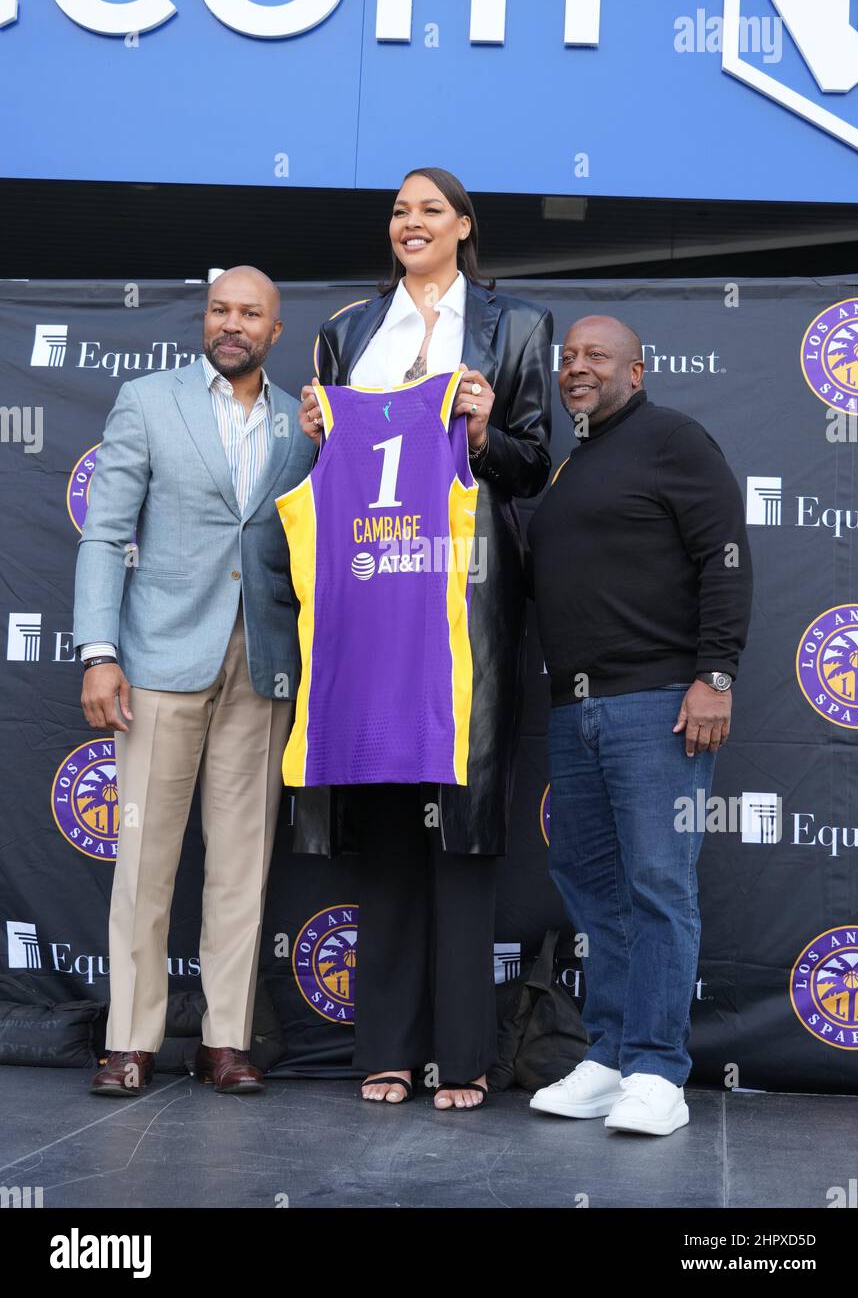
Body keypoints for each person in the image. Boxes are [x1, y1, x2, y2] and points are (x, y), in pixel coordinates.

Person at [295, 167, 552, 1110]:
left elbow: (535, 464)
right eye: (400, 211)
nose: (411, 223)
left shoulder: (515, 325)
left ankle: (465, 1058)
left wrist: (484, 432)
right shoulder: (345, 333)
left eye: (429, 211)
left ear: (463, 227)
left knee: (464, 825)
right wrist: (318, 427)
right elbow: (326, 467)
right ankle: (388, 1050)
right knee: (389, 823)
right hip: (366, 601)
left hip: (463, 604)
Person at [73, 266, 315, 1097]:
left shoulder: (300, 424)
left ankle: (224, 1041)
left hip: (264, 665)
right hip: (159, 663)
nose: (232, 323)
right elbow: (104, 536)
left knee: (241, 861)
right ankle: (130, 1041)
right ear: (203, 319)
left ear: (275, 332)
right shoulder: (149, 400)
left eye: (251, 312)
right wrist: (99, 651)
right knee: (143, 856)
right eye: (220, 309)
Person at [528, 315, 752, 1136]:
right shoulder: (574, 463)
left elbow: (725, 554)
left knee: (659, 884)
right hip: (572, 709)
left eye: (597, 356)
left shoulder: (672, 440)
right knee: (593, 887)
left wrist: (715, 675)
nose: (578, 368)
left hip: (659, 703)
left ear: (639, 369)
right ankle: (611, 1055)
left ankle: (660, 1071)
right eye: (570, 358)